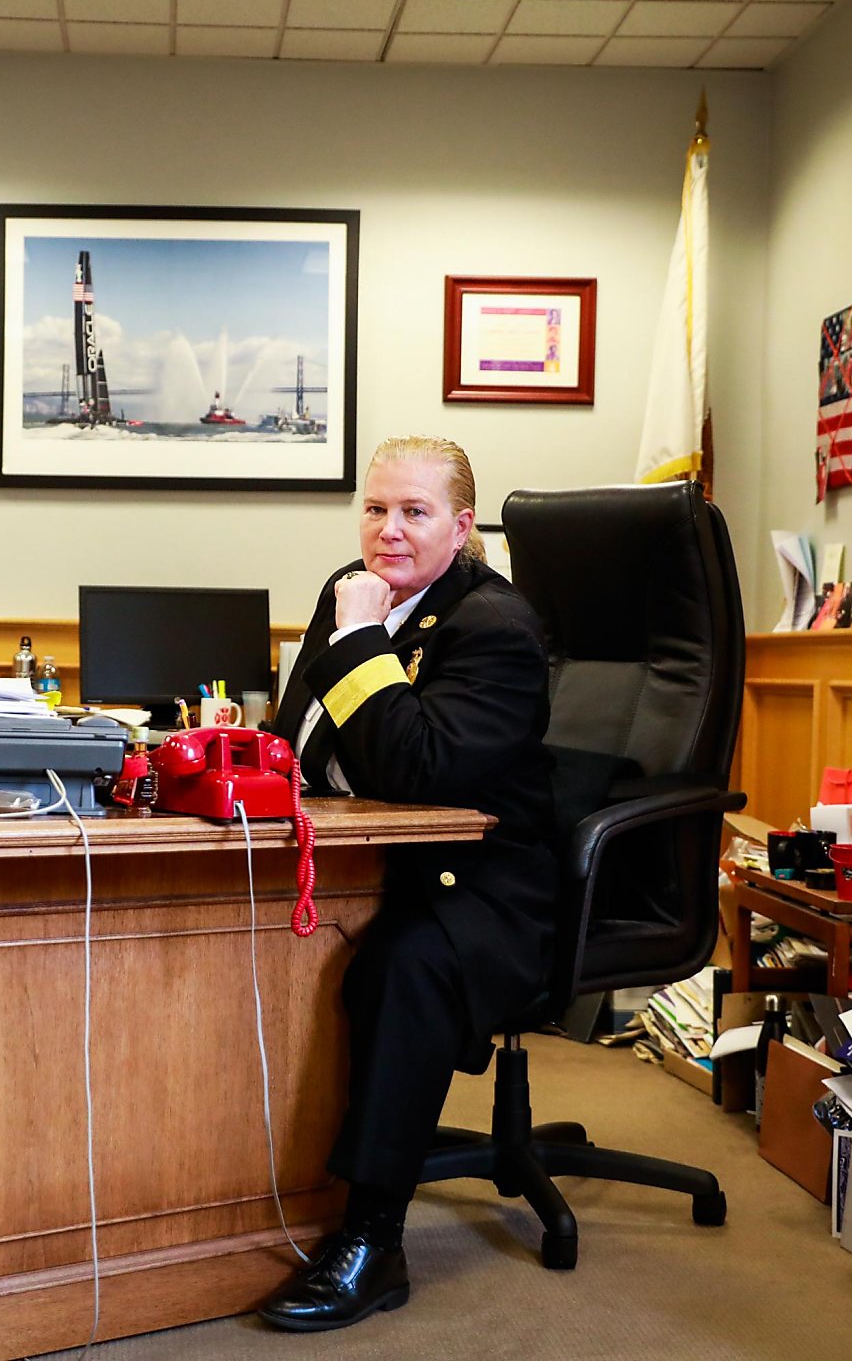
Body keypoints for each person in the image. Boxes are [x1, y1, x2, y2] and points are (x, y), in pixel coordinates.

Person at [259, 436, 556, 1332]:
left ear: (463, 528)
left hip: (489, 884)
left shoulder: (496, 628)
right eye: (375, 508)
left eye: (414, 512)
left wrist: (355, 643)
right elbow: (300, 735)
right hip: (370, 853)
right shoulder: (351, 586)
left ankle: (372, 1238)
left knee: (401, 969)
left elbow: (418, 766)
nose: (387, 532)